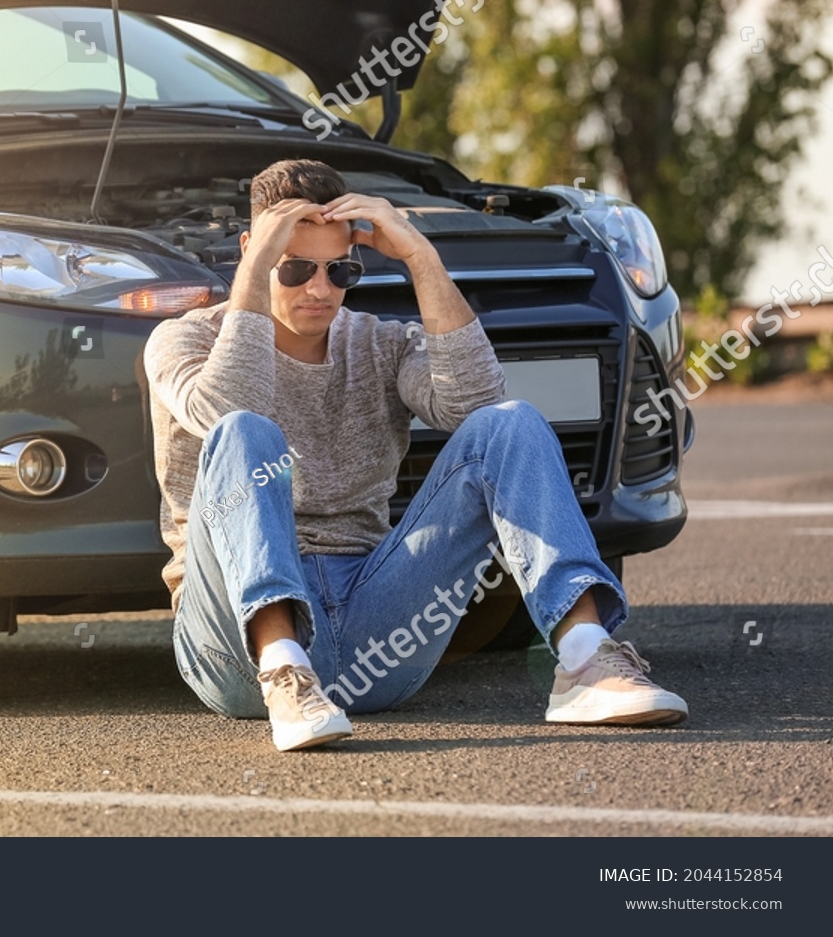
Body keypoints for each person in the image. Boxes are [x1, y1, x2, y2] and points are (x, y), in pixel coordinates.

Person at [143, 158, 688, 751]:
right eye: (294, 267)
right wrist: (253, 270)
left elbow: (476, 404)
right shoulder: (183, 339)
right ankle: (285, 669)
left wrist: (420, 257)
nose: (320, 289)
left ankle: (587, 661)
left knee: (511, 423)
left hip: (377, 637)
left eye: (339, 270)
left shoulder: (378, 341)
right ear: (252, 250)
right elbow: (229, 403)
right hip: (236, 652)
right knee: (246, 429)